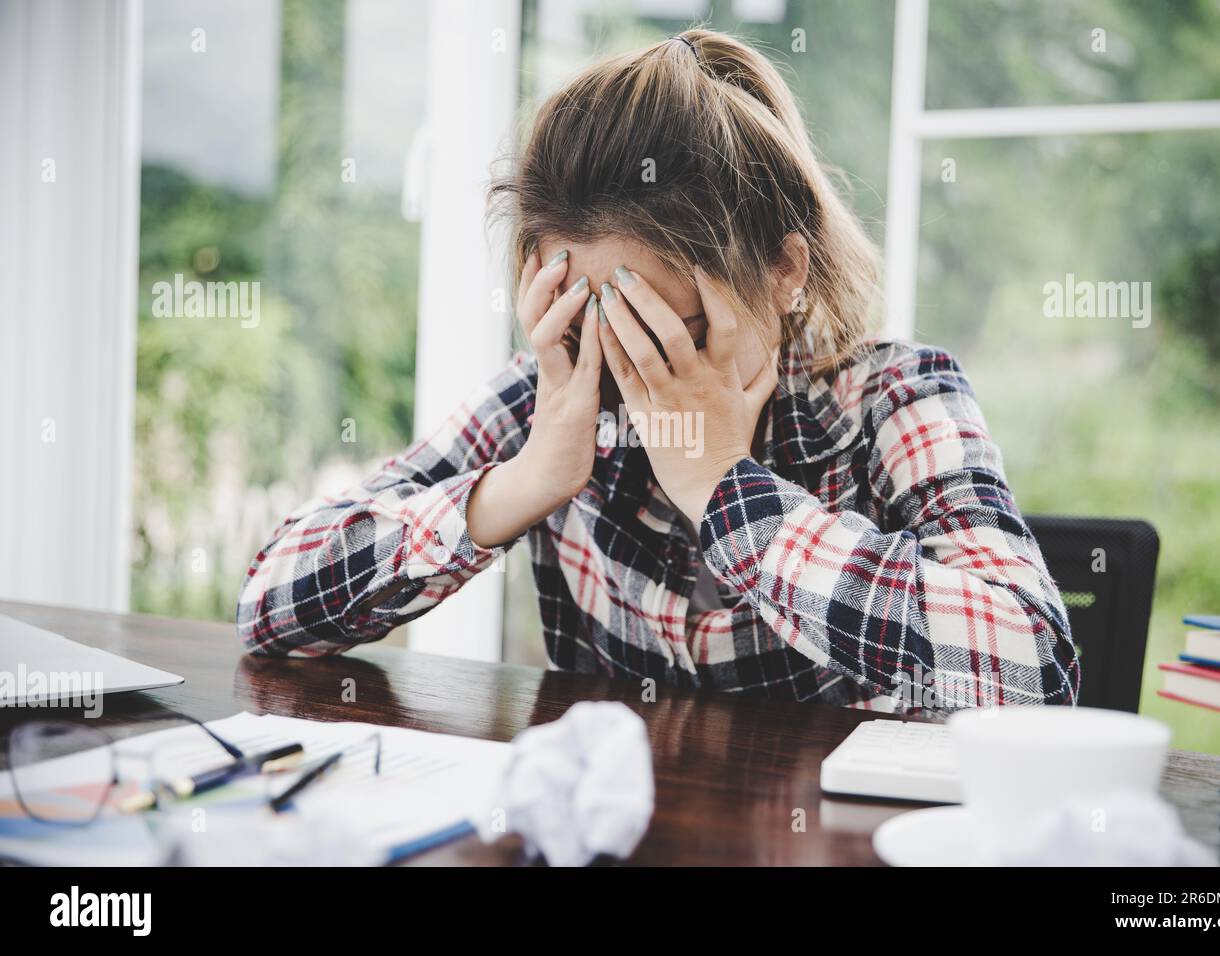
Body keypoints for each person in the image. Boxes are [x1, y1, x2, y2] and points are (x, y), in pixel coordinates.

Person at [236, 29, 1079, 712]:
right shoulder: (558, 390)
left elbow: (1033, 668)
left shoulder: (891, 396)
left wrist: (725, 487)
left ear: (785, 271)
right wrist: (520, 482)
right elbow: (268, 603)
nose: (626, 372)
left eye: (664, 329)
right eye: (593, 321)